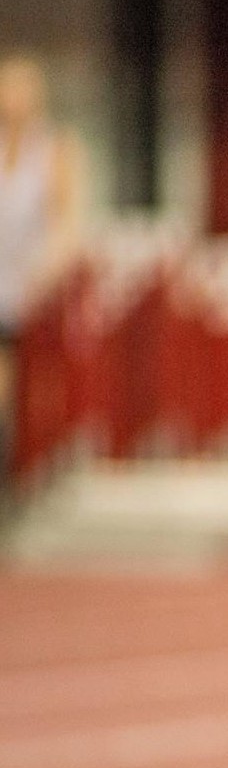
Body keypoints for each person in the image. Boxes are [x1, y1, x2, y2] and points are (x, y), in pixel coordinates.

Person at [0, 53, 84, 489]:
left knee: (25, 381)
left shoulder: (54, 151)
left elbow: (65, 223)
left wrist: (46, 271)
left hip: (30, 284)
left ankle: (24, 466)